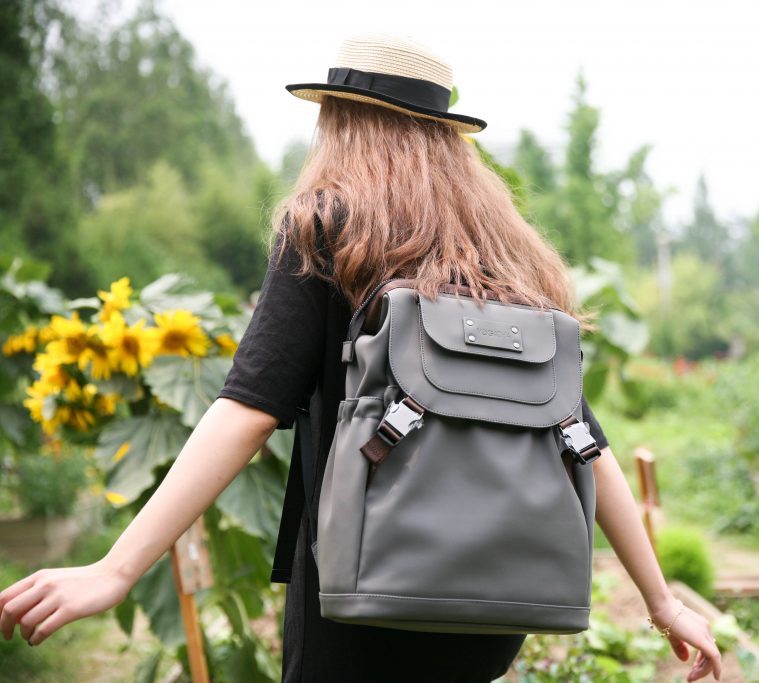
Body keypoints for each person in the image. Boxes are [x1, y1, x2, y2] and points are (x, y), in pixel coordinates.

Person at [0, 32, 722, 683]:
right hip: (492, 615)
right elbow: (582, 440)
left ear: (338, 120)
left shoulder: (327, 230)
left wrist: (116, 567)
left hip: (361, 606)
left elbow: (248, 410)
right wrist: (662, 601)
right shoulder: (509, 260)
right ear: (443, 136)